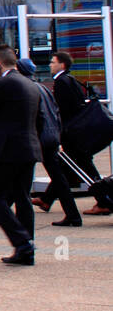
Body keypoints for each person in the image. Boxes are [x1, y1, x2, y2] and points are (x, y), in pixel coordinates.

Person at [0, 45, 43, 265]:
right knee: (22, 197)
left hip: (8, 150)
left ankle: (22, 242)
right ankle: (27, 249)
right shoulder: (29, 83)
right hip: (29, 148)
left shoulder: (4, 83)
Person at [19, 58, 81, 227]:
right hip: (50, 136)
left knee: (22, 175)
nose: (50, 64)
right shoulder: (43, 88)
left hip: (40, 138)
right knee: (58, 177)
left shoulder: (30, 89)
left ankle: (2, 209)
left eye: (53, 62)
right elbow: (55, 112)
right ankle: (71, 214)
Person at [49, 51, 107, 216]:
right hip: (78, 130)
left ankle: (104, 199)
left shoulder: (61, 82)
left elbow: (64, 110)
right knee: (70, 165)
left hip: (71, 132)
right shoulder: (71, 79)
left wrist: (60, 130)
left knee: (79, 166)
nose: (50, 65)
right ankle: (46, 199)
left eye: (53, 62)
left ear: (62, 64)